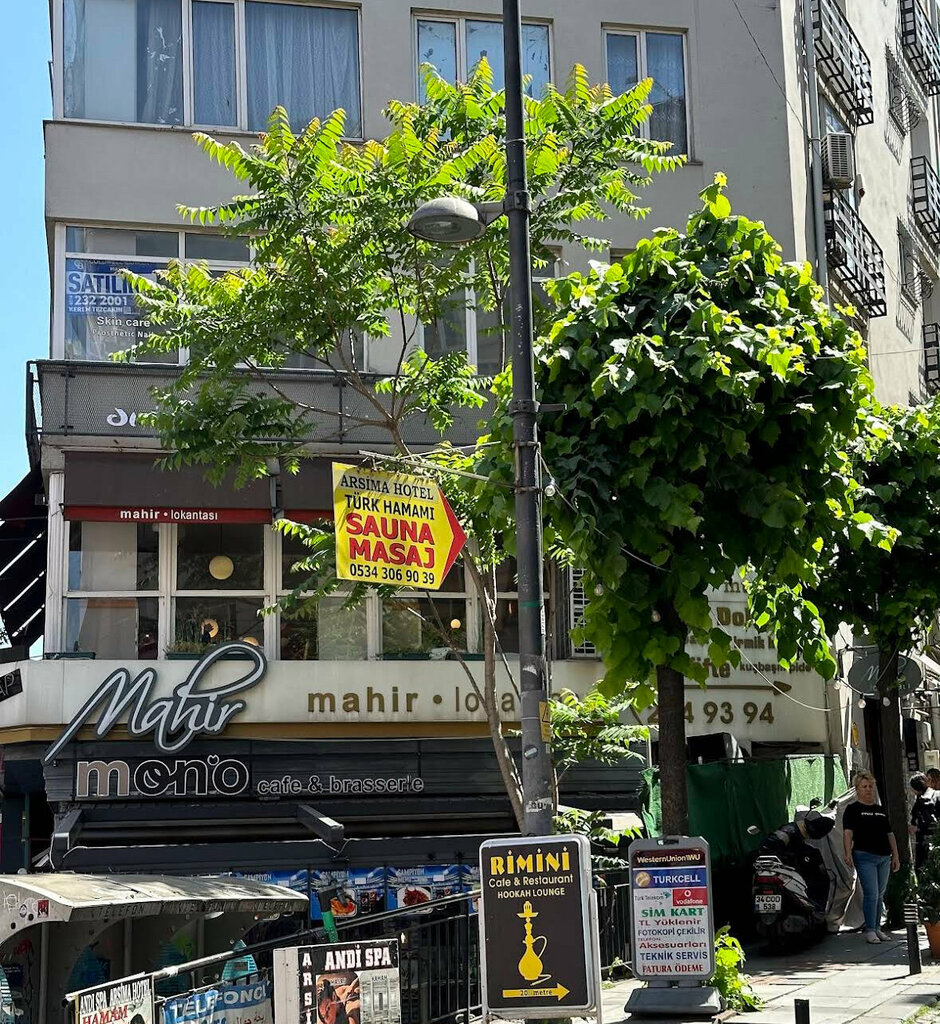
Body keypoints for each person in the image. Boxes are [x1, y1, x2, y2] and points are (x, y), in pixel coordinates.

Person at [843, 770, 900, 943]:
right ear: (857, 789)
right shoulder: (852, 810)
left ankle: (877, 928)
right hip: (864, 856)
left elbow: (890, 833)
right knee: (872, 893)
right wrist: (847, 854)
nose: (868, 790)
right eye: (864, 787)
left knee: (880, 894)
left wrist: (895, 856)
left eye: (870, 786)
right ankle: (869, 930)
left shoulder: (880, 810)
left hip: (884, 857)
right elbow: (848, 834)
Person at [910, 773, 940, 869]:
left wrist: (917, 828)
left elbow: (927, 823)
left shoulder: (922, 801)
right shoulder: (937, 795)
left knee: (923, 870)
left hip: (926, 842)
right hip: (934, 841)